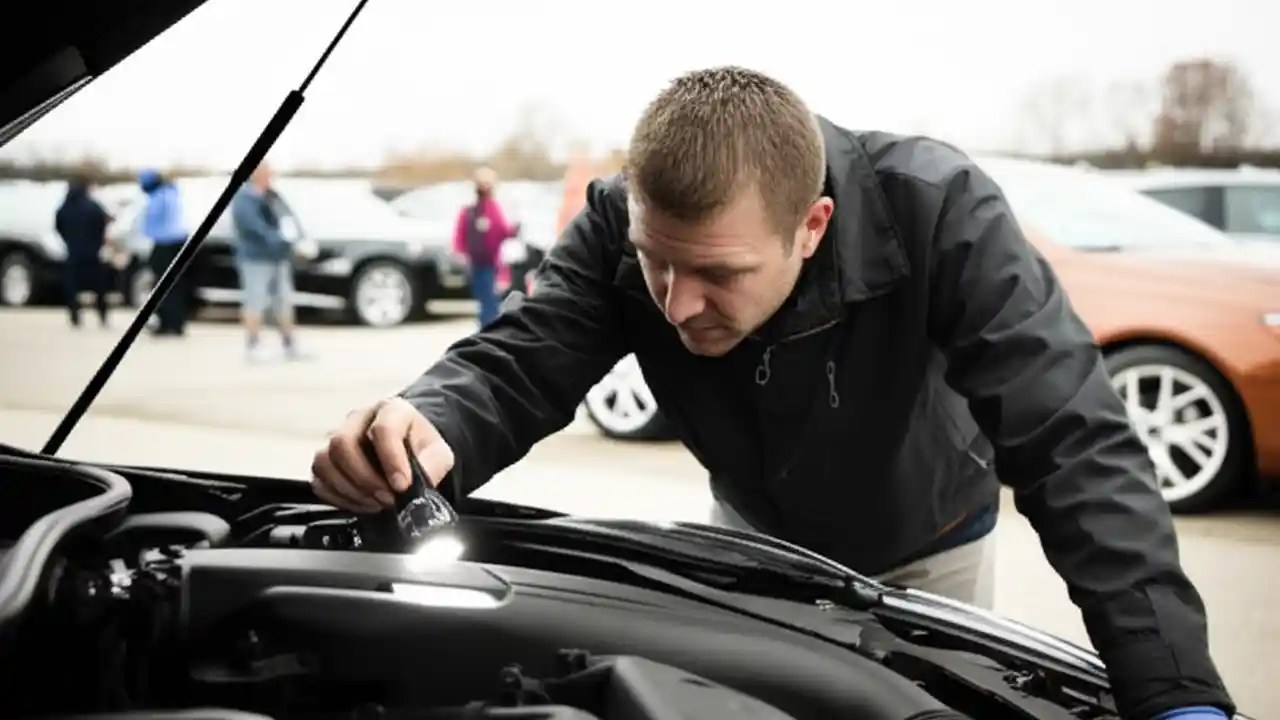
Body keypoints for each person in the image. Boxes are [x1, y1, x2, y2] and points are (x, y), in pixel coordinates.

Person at [310, 67, 1233, 720]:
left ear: (813, 225)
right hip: (746, 538)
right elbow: (519, 359)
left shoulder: (941, 210)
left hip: (931, 546)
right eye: (653, 262)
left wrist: (1174, 689)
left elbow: (1074, 440)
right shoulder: (614, 224)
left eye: (717, 272)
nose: (676, 304)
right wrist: (429, 423)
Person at [230, 162, 306, 363]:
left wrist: (298, 237)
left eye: (270, 173)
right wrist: (278, 238)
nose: (269, 177)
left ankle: (290, 344)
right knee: (255, 301)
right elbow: (252, 226)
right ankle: (253, 345)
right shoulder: (244, 198)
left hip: (279, 258)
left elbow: (289, 218)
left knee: (284, 300)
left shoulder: (273, 195)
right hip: (255, 258)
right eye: (264, 173)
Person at [452, 166, 519, 328]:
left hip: (485, 261)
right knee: (487, 299)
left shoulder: (478, 208)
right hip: (482, 261)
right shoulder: (477, 209)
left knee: (486, 298)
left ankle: (487, 329)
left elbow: (500, 231)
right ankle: (490, 330)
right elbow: (501, 231)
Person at [137, 169, 192, 336]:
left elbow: (149, 224)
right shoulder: (172, 193)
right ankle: (177, 323)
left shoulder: (158, 198)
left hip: (164, 243)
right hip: (179, 242)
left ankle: (166, 323)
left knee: (162, 285)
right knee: (176, 286)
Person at [53, 175, 112, 328]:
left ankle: (74, 315)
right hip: (92, 253)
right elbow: (102, 224)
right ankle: (102, 315)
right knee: (99, 287)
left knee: (72, 286)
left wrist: (69, 241)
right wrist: (98, 243)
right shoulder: (93, 206)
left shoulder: (64, 207)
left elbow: (58, 226)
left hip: (73, 252)